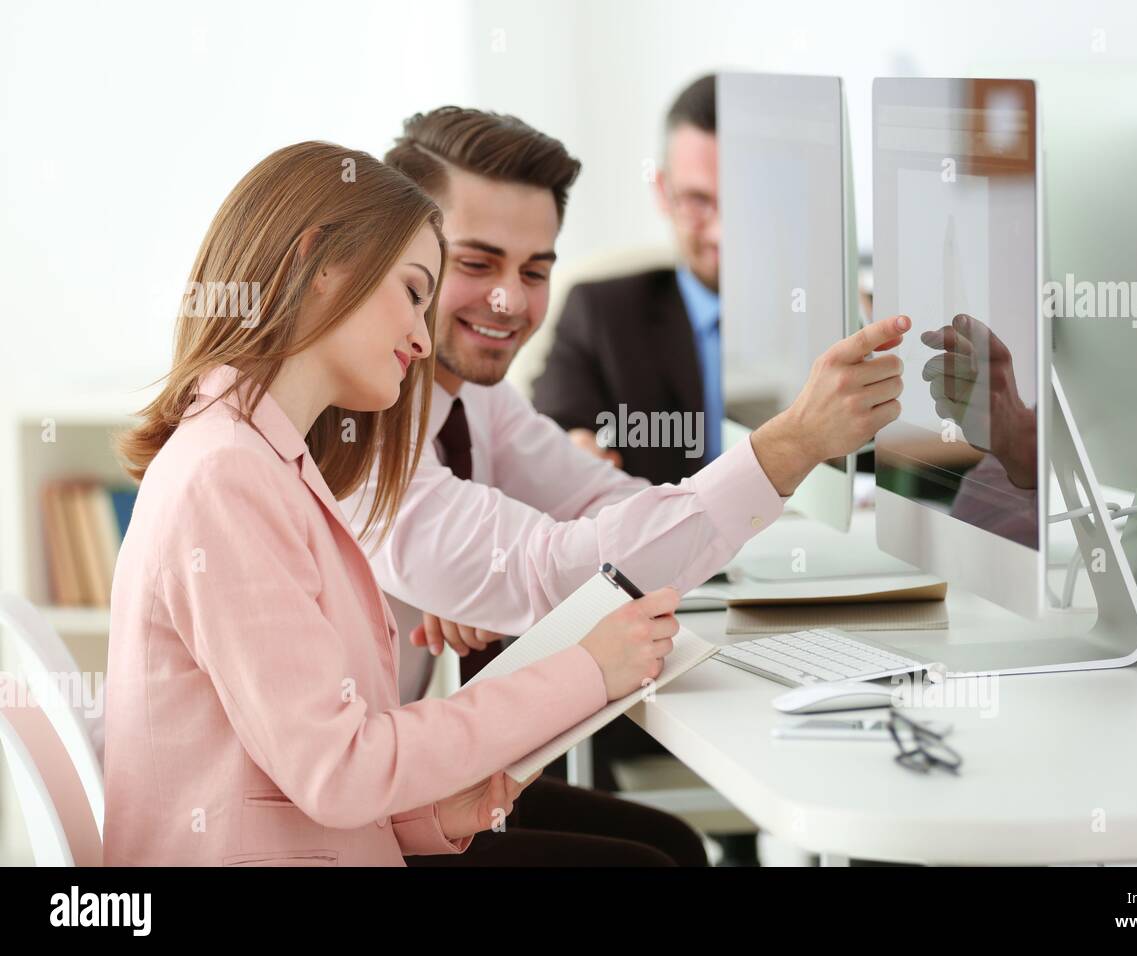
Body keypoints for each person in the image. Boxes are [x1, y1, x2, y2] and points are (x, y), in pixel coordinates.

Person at [339, 107, 909, 862]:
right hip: (343, 822)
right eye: (477, 265)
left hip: (399, 784)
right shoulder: (362, 420)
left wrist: (529, 572)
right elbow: (555, 571)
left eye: (535, 270)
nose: (511, 301)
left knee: (670, 844)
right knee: (657, 861)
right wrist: (793, 445)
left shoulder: (474, 399)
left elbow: (604, 507)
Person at [104, 141, 681, 866]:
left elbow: (308, 763)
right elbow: (341, 770)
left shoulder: (263, 459)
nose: (419, 335)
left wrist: (427, 817)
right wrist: (586, 670)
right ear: (319, 265)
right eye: (412, 291)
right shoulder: (228, 476)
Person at [533, 74, 721, 485]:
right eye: (698, 201)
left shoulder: (828, 316)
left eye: (742, 201)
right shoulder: (601, 314)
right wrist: (573, 451)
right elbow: (556, 425)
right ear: (662, 191)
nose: (720, 231)